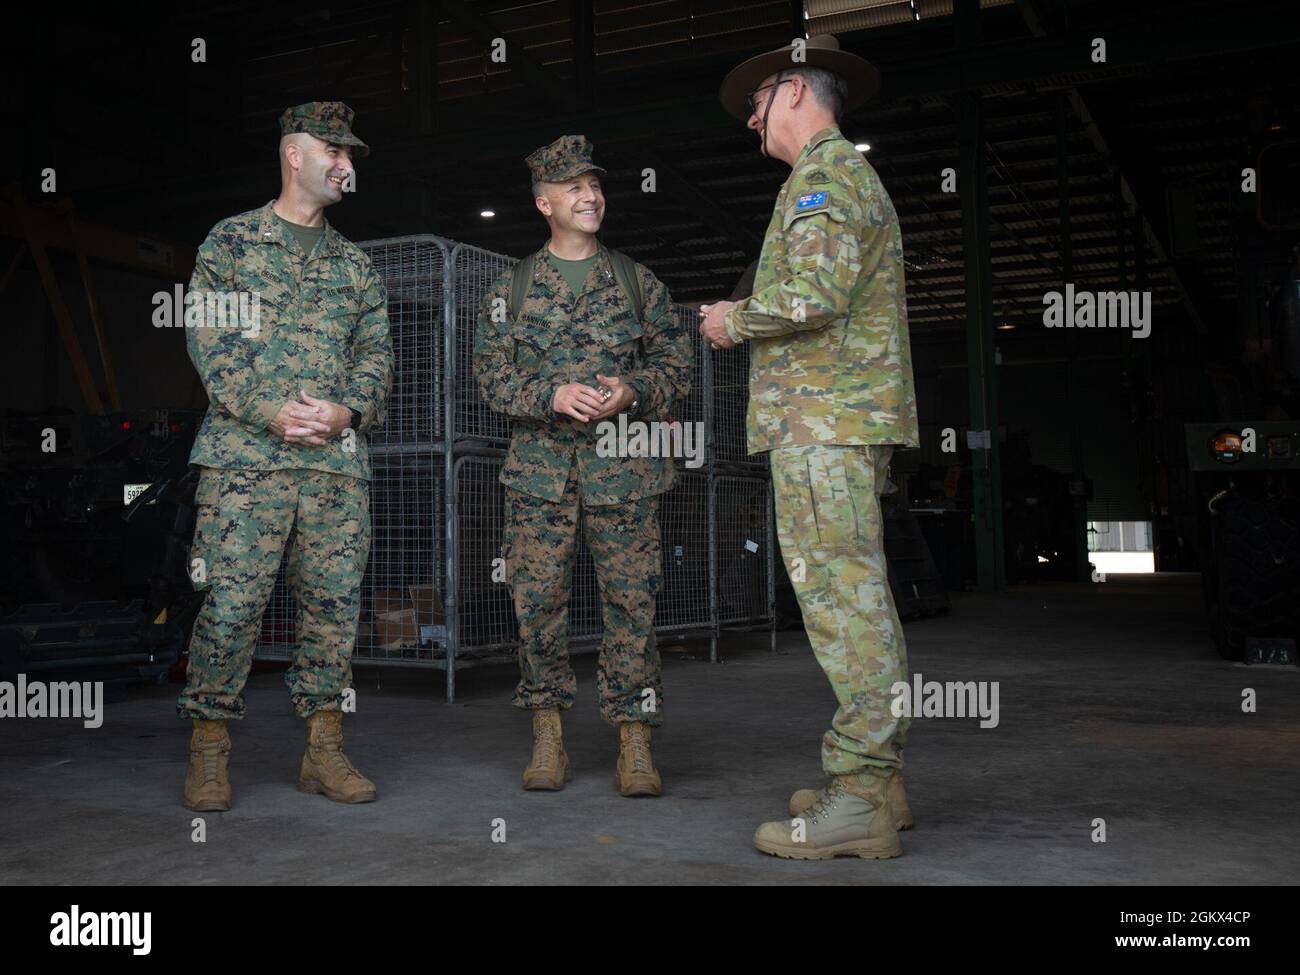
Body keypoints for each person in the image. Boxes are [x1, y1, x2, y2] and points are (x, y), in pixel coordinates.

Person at [701, 36, 920, 858]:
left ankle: (862, 790)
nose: (751, 123)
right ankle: (880, 781)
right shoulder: (835, 176)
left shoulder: (822, 178)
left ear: (792, 92)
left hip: (824, 422)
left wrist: (733, 318)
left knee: (843, 600)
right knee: (856, 591)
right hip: (837, 419)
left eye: (756, 105)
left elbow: (815, 296)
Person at [178, 101, 393, 811]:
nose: (346, 163)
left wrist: (347, 411)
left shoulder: (355, 266)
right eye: (334, 149)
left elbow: (376, 357)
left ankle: (323, 751)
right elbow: (210, 342)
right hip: (245, 464)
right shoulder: (230, 243)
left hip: (334, 468)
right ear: (292, 154)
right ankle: (209, 750)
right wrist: (271, 410)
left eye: (353, 154)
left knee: (333, 612)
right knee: (232, 606)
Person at [472, 135, 692, 796]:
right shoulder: (509, 288)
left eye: (594, 185)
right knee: (537, 606)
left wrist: (636, 391)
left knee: (634, 607)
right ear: (545, 201)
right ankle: (548, 737)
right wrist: (549, 396)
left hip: (624, 472)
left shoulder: (636, 281)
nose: (590, 196)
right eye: (573, 188)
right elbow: (489, 374)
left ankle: (635, 742)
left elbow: (677, 360)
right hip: (539, 478)